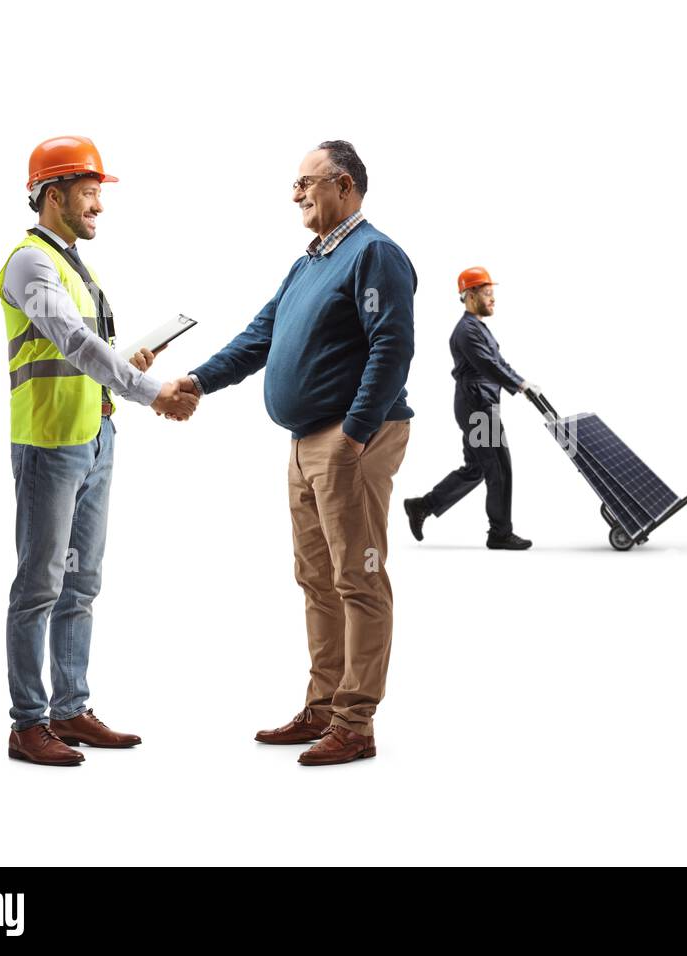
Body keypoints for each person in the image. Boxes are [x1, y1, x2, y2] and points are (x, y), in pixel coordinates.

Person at [179, 141, 416, 766]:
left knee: (357, 576)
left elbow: (392, 347)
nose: (295, 194)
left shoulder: (376, 254)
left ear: (342, 184)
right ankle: (322, 706)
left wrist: (356, 433)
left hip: (351, 439)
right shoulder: (309, 263)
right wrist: (197, 381)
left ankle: (355, 721)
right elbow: (261, 334)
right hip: (308, 440)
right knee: (316, 578)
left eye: (304, 182)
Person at [0, 136, 196, 766]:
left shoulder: (74, 263)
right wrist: (150, 390)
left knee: (81, 581)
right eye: (89, 193)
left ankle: (70, 709)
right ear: (53, 195)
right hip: (50, 443)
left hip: (95, 435)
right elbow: (73, 341)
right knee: (39, 584)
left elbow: (86, 352)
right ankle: (28, 724)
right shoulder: (30, 262)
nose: (98, 207)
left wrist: (131, 362)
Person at [403, 268, 536, 549]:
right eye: (487, 293)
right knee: (498, 468)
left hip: (480, 404)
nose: (493, 299)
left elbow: (499, 363)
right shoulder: (466, 331)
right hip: (478, 409)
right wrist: (520, 386)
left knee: (476, 468)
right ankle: (500, 533)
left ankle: (422, 506)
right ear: (470, 295)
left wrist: (522, 383)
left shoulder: (478, 327)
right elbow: (487, 366)